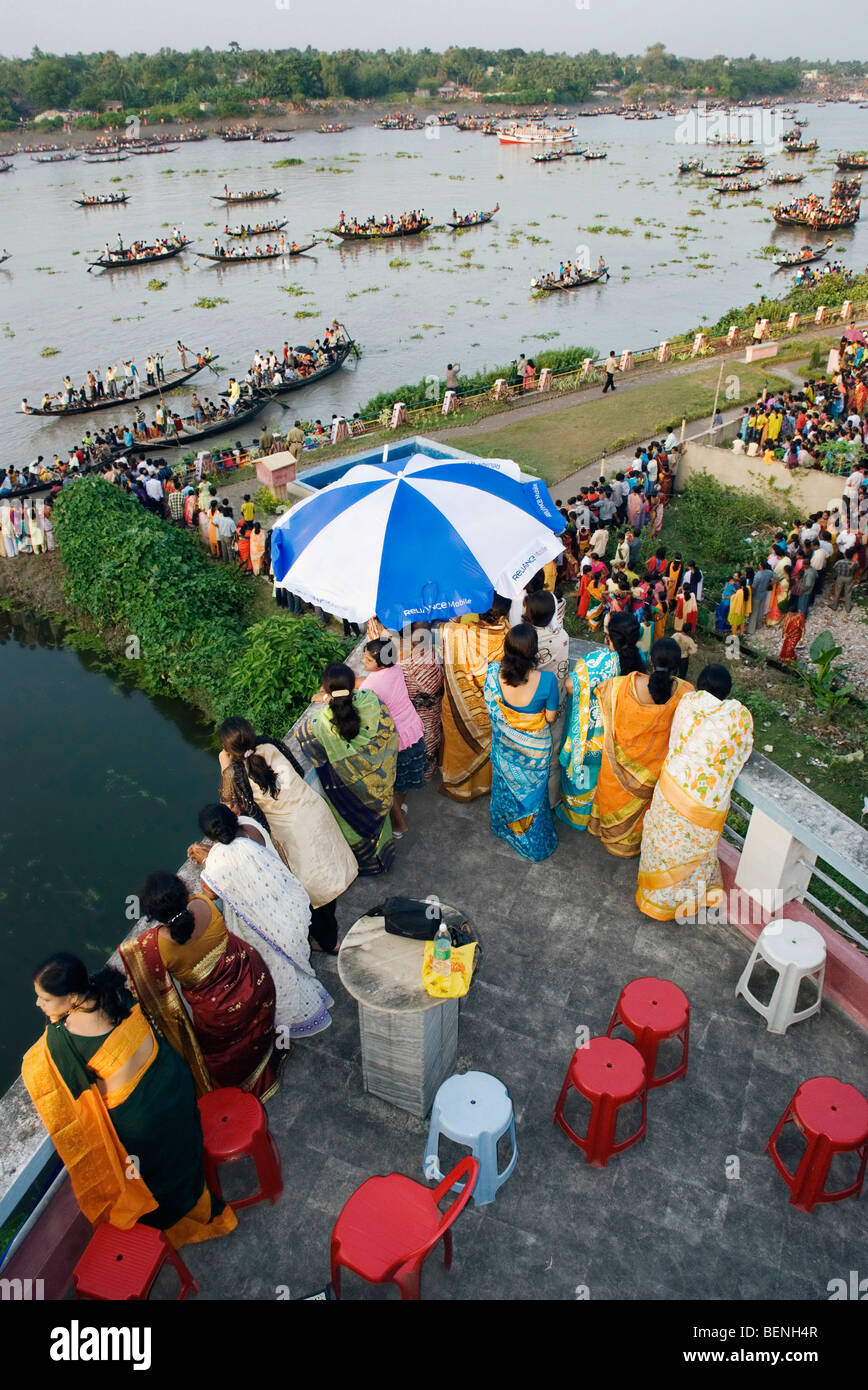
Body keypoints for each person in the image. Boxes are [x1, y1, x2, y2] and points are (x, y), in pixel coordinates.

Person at [22, 954, 237, 1247]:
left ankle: (182, 1221)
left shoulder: (63, 1039)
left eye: (44, 999)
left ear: (72, 997)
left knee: (152, 1178)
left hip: (143, 1121)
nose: (39, 1005)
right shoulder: (111, 988)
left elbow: (74, 1093)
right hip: (173, 1082)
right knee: (179, 1148)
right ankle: (199, 1192)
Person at [120, 872, 281, 1098]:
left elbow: (147, 989)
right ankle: (271, 1061)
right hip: (254, 980)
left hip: (220, 1012)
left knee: (224, 1055)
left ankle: (242, 1092)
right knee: (257, 1029)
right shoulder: (203, 902)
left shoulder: (155, 946)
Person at [188, 804, 333, 1039]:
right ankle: (311, 1003)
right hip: (282, 914)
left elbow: (211, 892)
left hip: (259, 929)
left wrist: (207, 858)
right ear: (234, 819)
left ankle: (292, 1020)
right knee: (290, 966)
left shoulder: (216, 862)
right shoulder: (250, 832)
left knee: (277, 971)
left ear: (211, 836)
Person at [217, 716, 357, 952]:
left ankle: (328, 941)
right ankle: (330, 935)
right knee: (326, 872)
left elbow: (229, 808)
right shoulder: (270, 745)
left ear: (228, 748)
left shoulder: (235, 771)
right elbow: (299, 770)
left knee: (309, 892)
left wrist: (224, 767)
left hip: (290, 833)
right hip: (312, 813)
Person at [636, 665, 753, 920]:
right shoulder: (737, 717)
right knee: (695, 852)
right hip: (704, 801)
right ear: (726, 691)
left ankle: (655, 900)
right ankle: (686, 901)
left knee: (664, 843)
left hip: (671, 786)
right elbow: (743, 748)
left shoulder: (688, 702)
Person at [588, 638, 693, 858]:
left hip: (615, 772)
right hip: (652, 776)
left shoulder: (621, 686)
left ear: (650, 660)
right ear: (677, 666)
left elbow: (599, 692)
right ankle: (633, 845)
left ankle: (609, 834)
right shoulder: (686, 693)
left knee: (611, 799)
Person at [296, 662, 399, 875]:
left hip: (353, 795)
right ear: (353, 684)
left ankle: (371, 866)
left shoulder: (319, 723)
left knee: (357, 829)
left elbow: (305, 740)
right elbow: (389, 732)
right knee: (382, 822)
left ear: (326, 689)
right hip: (381, 787)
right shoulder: (371, 700)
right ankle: (387, 855)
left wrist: (327, 701)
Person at [557, 612, 644, 832]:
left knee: (586, 770)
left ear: (609, 637)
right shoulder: (641, 658)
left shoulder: (598, 662)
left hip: (594, 729)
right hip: (619, 730)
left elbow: (570, 685)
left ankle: (578, 815)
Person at [484, 624, 558, 861]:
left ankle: (504, 827)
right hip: (535, 752)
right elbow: (550, 717)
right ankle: (530, 839)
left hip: (505, 748)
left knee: (505, 787)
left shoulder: (493, 672)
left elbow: (493, 710)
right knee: (533, 797)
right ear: (535, 651)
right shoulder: (547, 680)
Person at [440, 598, 511, 801]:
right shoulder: (508, 634)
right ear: (503, 616)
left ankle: (458, 789)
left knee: (459, 744)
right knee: (488, 745)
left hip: (460, 705)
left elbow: (447, 627)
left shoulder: (460, 634)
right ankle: (484, 785)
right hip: (491, 707)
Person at [359, 638, 426, 836]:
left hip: (396, 739)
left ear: (380, 663)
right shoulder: (395, 668)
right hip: (412, 730)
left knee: (388, 784)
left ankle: (398, 824)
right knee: (402, 781)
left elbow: (364, 694)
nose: (363, 663)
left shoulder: (370, 685)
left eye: (368, 660)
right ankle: (400, 808)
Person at [395, 621, 444, 782]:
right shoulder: (423, 653)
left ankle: (427, 774)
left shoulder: (405, 661)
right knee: (431, 740)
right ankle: (430, 772)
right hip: (430, 711)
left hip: (424, 714)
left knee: (429, 742)